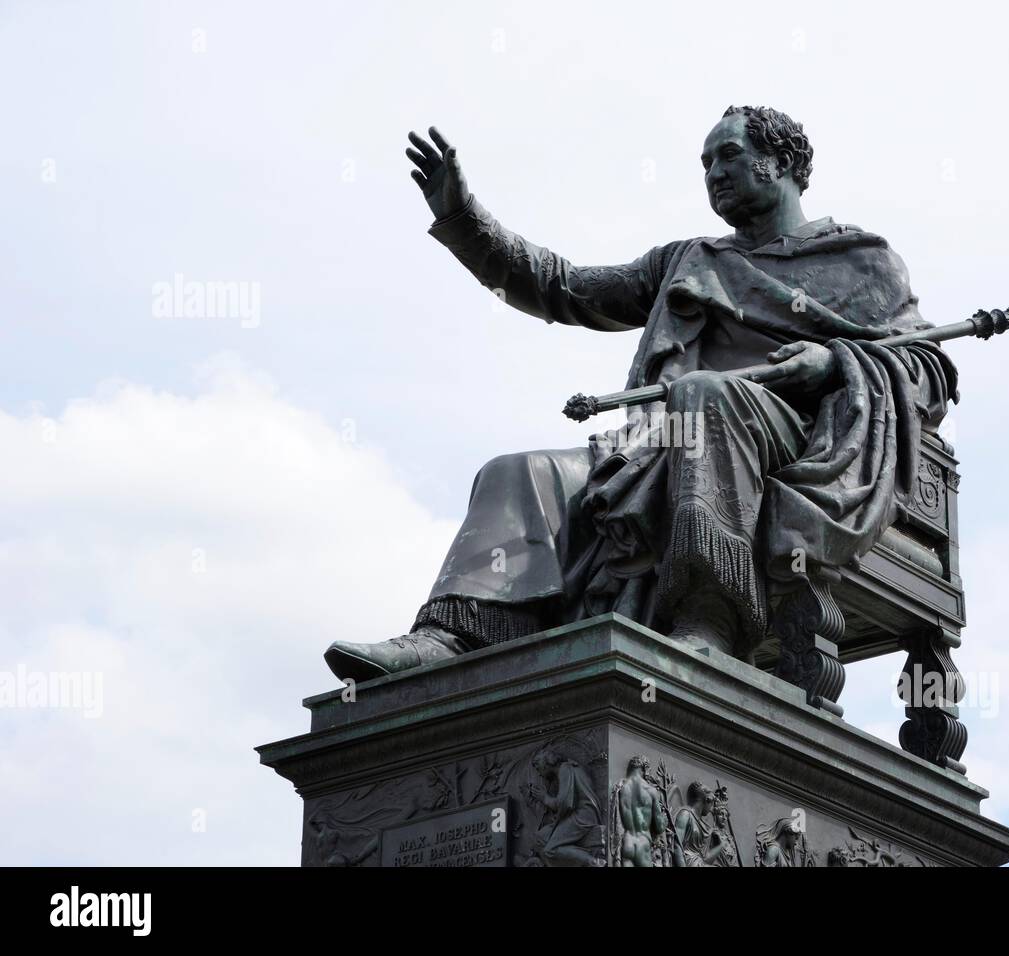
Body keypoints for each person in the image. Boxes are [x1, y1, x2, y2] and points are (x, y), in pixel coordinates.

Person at [325, 105, 956, 682]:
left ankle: (710, 618)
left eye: (728, 155)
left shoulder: (861, 260)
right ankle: (455, 636)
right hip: (660, 447)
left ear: (784, 163)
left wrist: (834, 362)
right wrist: (463, 217)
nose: (713, 173)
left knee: (704, 398)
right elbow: (562, 285)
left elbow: (928, 370)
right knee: (520, 474)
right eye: (705, 163)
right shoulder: (688, 259)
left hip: (794, 445)